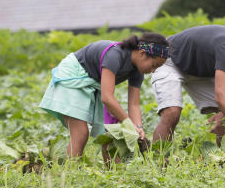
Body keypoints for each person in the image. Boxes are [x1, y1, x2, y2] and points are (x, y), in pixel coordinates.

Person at [40, 32, 169, 158]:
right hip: (73, 77)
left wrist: (139, 128)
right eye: (154, 65)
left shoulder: (138, 71)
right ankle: (69, 173)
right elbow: (107, 98)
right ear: (142, 53)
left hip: (93, 84)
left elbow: (134, 104)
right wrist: (129, 123)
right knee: (80, 132)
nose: (153, 71)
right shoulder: (114, 55)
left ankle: (114, 176)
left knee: (112, 133)